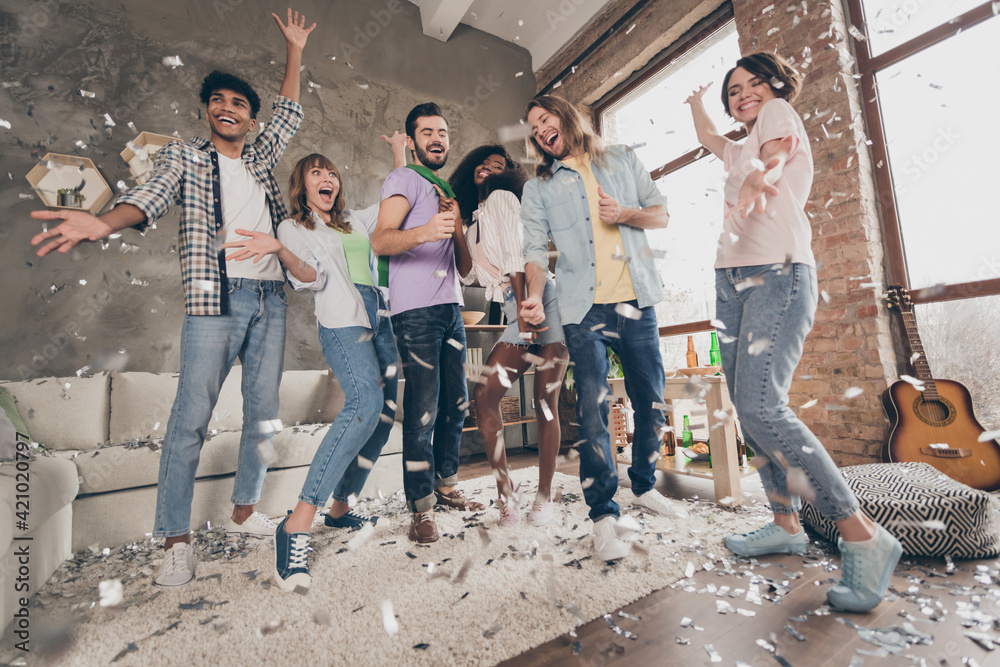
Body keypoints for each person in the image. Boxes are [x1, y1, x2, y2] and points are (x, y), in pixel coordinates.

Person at [29, 9, 315, 588]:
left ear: (249, 117)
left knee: (263, 416)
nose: (228, 108)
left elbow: (290, 109)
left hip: (271, 300)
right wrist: (102, 224)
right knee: (191, 420)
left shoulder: (260, 160)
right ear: (207, 110)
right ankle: (176, 543)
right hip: (215, 298)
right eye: (219, 101)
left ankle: (241, 514)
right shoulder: (184, 156)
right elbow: (150, 197)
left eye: (239, 103)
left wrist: (295, 50)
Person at [685, 52, 901, 612]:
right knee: (745, 406)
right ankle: (784, 523)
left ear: (776, 88)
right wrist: (694, 104)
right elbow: (711, 135)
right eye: (735, 90)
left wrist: (761, 177)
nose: (744, 94)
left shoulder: (779, 116)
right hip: (731, 283)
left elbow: (776, 158)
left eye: (754, 83)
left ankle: (862, 533)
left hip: (776, 275)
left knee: (761, 405)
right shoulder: (737, 144)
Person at [221, 136, 407, 591]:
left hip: (379, 320)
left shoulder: (355, 223)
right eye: (316, 172)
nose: (327, 178)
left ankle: (340, 505)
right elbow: (307, 276)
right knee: (364, 402)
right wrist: (278, 248)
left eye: (331, 173)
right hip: (343, 324)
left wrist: (401, 157)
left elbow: (392, 205)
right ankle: (299, 521)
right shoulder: (292, 228)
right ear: (302, 185)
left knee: (382, 415)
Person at [520, 95, 678, 561]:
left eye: (544, 118)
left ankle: (645, 485)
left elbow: (660, 214)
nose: (540, 130)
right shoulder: (541, 188)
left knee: (651, 401)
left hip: (636, 300)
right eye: (533, 128)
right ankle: (603, 515)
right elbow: (533, 252)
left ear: (565, 116)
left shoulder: (622, 158)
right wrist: (531, 295)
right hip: (581, 309)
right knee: (592, 411)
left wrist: (623, 214)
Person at [371, 103, 484, 544]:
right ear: (413, 140)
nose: (436, 138)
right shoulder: (402, 179)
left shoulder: (446, 192)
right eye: (426, 132)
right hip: (414, 312)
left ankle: (447, 485)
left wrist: (455, 227)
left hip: (451, 309)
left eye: (442, 131)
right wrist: (426, 230)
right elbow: (380, 241)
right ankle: (420, 508)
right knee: (423, 411)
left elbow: (465, 266)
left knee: (457, 403)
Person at [449, 145, 569, 528]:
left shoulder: (503, 199)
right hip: (516, 300)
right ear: (471, 171)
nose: (489, 168)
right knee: (486, 396)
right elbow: (466, 273)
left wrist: (525, 307)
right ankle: (507, 496)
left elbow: (518, 262)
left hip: (538, 298)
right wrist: (455, 227)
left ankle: (544, 498)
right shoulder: (473, 221)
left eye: (499, 166)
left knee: (544, 401)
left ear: (508, 176)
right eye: (482, 163)